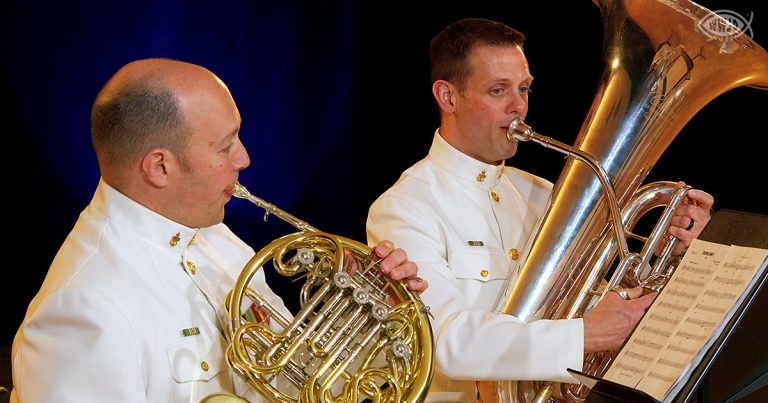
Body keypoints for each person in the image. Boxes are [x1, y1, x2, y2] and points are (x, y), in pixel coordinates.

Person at [10, 58, 427, 403]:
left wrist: (374, 314)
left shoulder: (216, 239)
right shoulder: (84, 308)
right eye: (225, 146)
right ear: (160, 167)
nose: (244, 158)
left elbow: (301, 384)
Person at [366, 18, 715, 402]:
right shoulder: (404, 206)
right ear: (448, 97)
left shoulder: (540, 193)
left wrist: (674, 249)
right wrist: (586, 335)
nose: (519, 107)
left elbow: (604, 300)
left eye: (524, 89)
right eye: (498, 90)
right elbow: (447, 343)